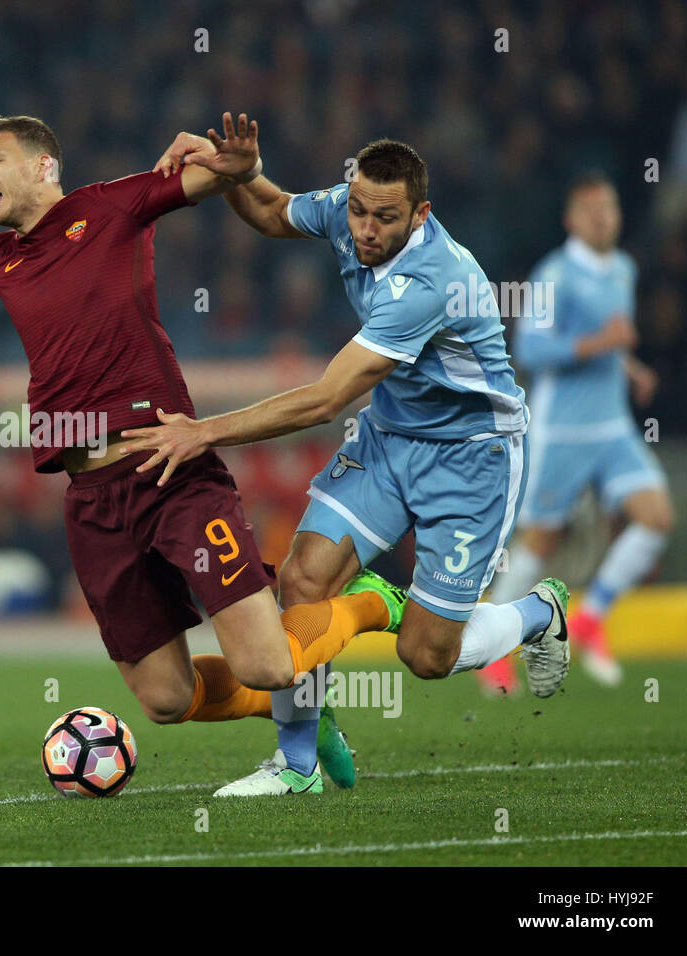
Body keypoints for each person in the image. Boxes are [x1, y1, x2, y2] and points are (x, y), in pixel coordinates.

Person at [0, 111, 406, 799]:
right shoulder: (2, 260)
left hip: (170, 471)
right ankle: (305, 714)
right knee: (166, 699)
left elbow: (215, 179)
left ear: (43, 166)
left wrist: (239, 164)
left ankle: (367, 604)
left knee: (266, 662)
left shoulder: (110, 205)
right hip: (91, 501)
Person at [120, 136, 572, 790]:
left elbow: (326, 399)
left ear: (419, 215)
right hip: (388, 438)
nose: (364, 228)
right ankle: (297, 764)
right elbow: (274, 213)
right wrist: (242, 174)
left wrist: (202, 432)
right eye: (358, 210)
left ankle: (539, 613)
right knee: (303, 580)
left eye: (383, 218)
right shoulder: (347, 207)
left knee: (424, 655)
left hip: (471, 461)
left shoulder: (434, 282)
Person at [480, 172, 674, 691]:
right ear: (571, 219)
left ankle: (590, 620)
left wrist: (630, 367)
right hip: (561, 432)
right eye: (591, 210)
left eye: (609, 207)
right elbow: (533, 351)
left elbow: (613, 340)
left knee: (655, 518)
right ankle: (491, 647)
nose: (602, 217)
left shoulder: (624, 269)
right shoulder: (555, 274)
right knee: (542, 539)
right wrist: (598, 342)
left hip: (612, 426)